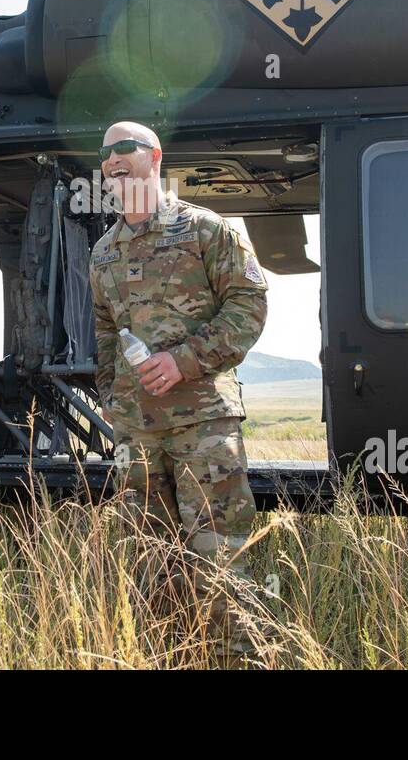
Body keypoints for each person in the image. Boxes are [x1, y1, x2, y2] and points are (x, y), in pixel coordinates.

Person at [89, 120, 268, 660]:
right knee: (149, 562)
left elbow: (249, 307)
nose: (113, 160)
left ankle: (240, 658)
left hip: (203, 425)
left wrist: (183, 361)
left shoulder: (206, 229)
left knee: (222, 558)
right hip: (137, 433)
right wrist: (114, 395)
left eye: (125, 147)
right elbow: (104, 334)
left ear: (155, 156)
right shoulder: (104, 252)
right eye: (105, 154)